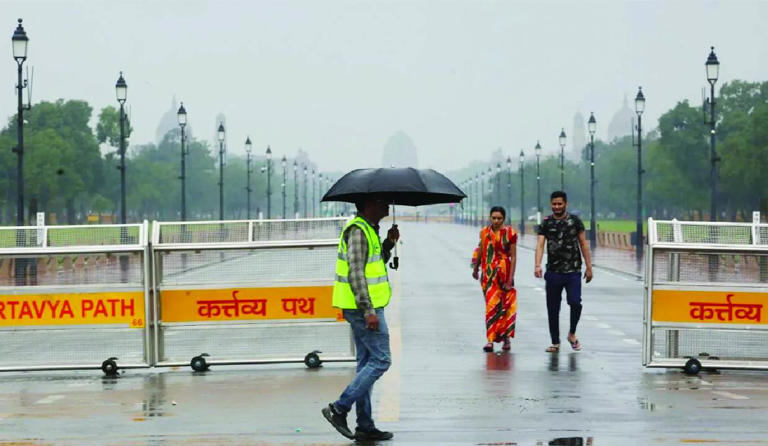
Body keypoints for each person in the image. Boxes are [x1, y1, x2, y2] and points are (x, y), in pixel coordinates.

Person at [322, 196, 399, 441]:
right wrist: (368, 311)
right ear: (368, 205)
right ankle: (339, 408)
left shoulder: (370, 230)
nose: (387, 205)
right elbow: (356, 273)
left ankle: (365, 425)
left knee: (366, 364)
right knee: (381, 360)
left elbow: (373, 265)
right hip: (363, 308)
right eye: (382, 202)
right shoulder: (358, 231)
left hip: (369, 306)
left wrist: (388, 243)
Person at [534, 191, 593, 353]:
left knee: (575, 302)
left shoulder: (575, 222)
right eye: (554, 204)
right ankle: (555, 342)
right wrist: (537, 265)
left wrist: (589, 267)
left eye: (560, 204)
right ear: (551, 204)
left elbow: (583, 244)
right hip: (553, 271)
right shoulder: (546, 223)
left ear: (565, 204)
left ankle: (572, 333)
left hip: (573, 270)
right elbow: (540, 244)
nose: (557, 207)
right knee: (552, 308)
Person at [471, 206, 517, 352]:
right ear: (490, 217)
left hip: (504, 274)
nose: (496, 221)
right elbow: (481, 251)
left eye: (499, 218)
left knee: (504, 307)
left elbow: (514, 257)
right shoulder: (485, 233)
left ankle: (506, 339)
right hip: (488, 275)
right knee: (491, 307)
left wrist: (510, 279)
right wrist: (476, 268)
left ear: (504, 219)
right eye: (494, 218)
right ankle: (490, 340)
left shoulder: (510, 233)